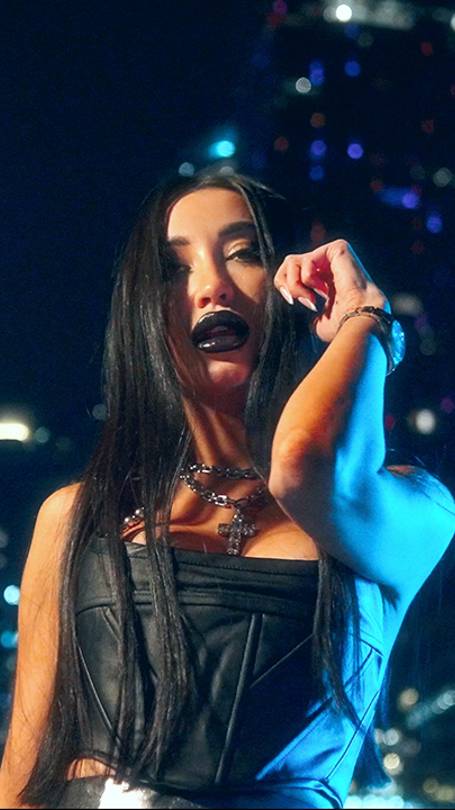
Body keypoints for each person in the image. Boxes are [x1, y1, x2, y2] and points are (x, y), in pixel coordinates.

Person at [0, 171, 453, 810]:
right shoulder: (79, 516)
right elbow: (21, 780)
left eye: (244, 253)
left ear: (297, 285)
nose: (211, 285)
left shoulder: (413, 509)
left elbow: (305, 462)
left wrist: (367, 319)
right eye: (173, 269)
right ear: (145, 315)